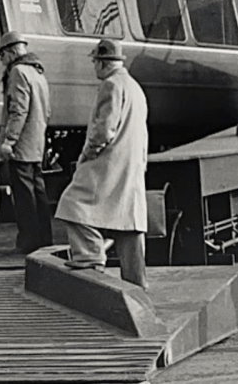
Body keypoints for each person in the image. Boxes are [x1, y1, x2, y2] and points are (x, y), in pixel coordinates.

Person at [55, 39, 150, 289]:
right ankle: (137, 284)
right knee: (129, 225)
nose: (93, 67)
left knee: (72, 203)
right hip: (131, 166)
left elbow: (104, 129)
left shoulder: (111, 85)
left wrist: (87, 154)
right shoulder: (135, 87)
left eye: (94, 62)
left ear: (101, 62)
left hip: (110, 165)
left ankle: (90, 255)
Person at [0, 31, 53, 254]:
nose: (1, 62)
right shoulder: (38, 73)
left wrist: (9, 141)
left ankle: (29, 241)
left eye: (2, 56)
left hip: (21, 145)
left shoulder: (18, 72)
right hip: (35, 143)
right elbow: (47, 110)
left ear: (11, 52)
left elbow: (18, 109)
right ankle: (45, 238)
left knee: (24, 197)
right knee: (39, 194)